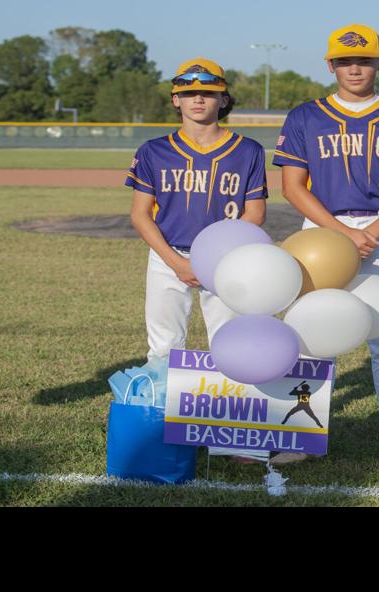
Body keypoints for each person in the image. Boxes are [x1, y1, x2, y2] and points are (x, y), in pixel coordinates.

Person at [272, 23, 379, 468]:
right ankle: (300, 432)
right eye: (345, 61)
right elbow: (292, 186)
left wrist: (375, 230)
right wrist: (340, 233)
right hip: (322, 230)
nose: (354, 68)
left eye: (364, 60)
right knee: (309, 332)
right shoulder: (305, 116)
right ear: (331, 65)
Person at [124, 58, 279, 464]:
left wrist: (216, 258)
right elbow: (141, 214)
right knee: (162, 348)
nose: (198, 99)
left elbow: (255, 213)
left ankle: (234, 438)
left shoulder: (246, 150)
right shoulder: (155, 150)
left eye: (208, 93)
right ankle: (160, 435)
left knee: (232, 346)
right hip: (167, 255)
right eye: (189, 92)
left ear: (223, 98)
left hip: (228, 261)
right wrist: (175, 262)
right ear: (175, 99)